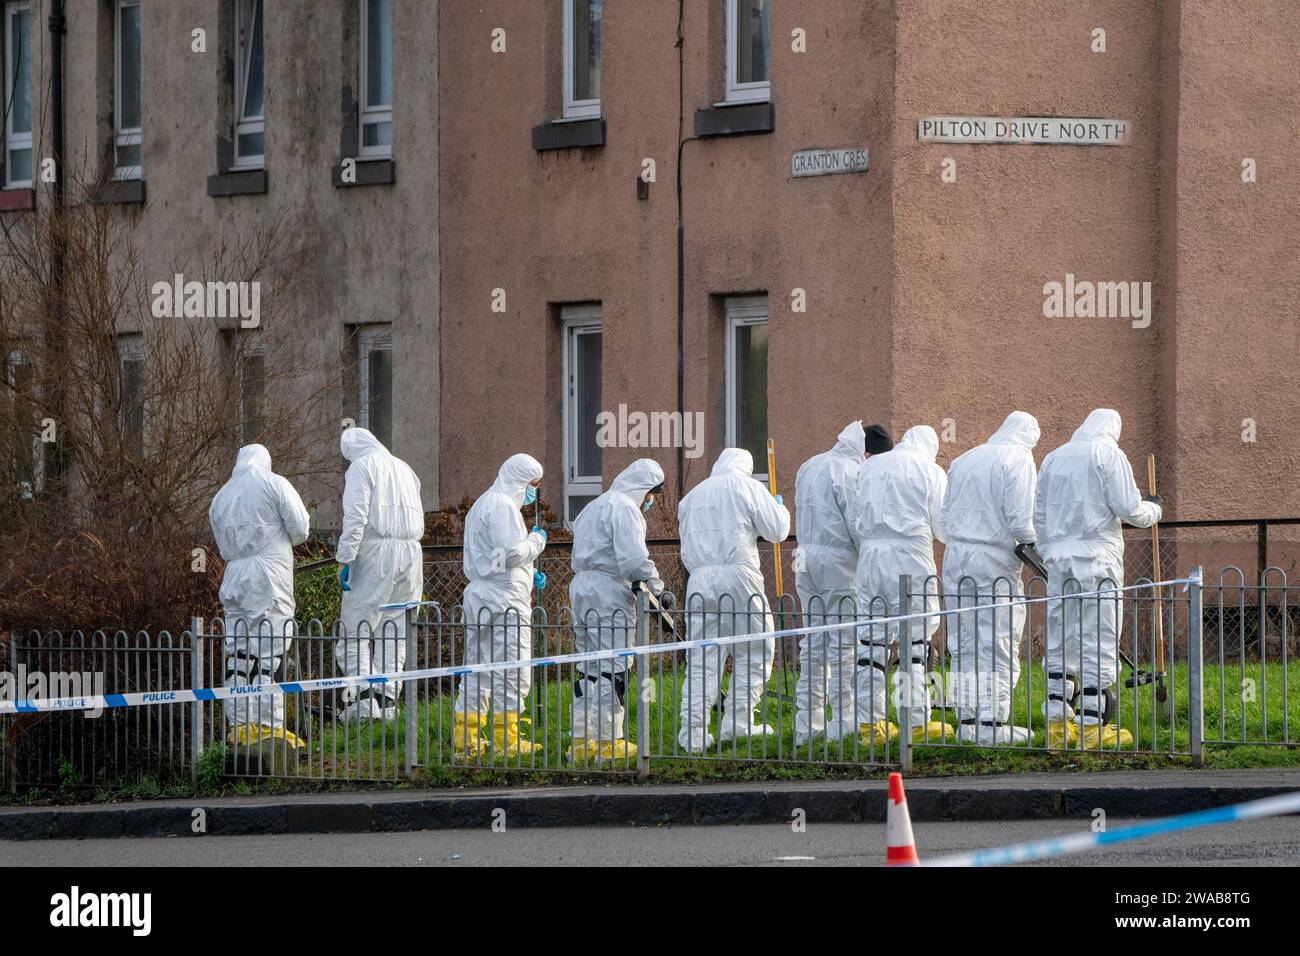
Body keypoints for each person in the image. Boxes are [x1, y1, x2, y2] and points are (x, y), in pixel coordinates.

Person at [1035, 409, 1161, 749]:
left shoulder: (1053, 458)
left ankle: (1057, 727)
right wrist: (1154, 509)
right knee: (1099, 638)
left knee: (1061, 638)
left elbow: (1040, 515)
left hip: (1060, 561)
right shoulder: (1109, 454)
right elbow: (1129, 508)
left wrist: (1049, 552)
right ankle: (1092, 724)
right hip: (1097, 559)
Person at [676, 448, 790, 752]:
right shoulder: (748, 487)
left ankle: (693, 734)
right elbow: (777, 531)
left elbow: (685, 544)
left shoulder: (692, 498)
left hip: (699, 580)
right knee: (754, 647)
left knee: (702, 656)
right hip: (739, 574)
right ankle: (739, 723)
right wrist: (779, 509)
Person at [940, 411, 1040, 744]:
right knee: (997, 638)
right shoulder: (1018, 459)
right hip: (994, 560)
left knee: (964, 640)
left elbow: (943, 516)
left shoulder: (964, 459)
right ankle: (993, 725)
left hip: (955, 556)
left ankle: (967, 722)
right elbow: (1022, 523)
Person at [208, 444, 311, 766]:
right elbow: (300, 529)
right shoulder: (274, 483)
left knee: (239, 654)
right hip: (269, 574)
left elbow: (220, 540)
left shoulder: (221, 496)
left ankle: (240, 726)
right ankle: (270, 726)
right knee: (272, 651)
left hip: (234, 575)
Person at [792, 421, 893, 746]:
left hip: (805, 558)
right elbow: (857, 522)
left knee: (814, 642)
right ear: (866, 452)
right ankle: (845, 720)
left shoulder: (811, 465)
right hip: (838, 561)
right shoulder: (850, 471)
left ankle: (807, 725)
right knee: (845, 643)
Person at [851, 425, 953, 746]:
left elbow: (855, 519)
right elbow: (942, 526)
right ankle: (916, 722)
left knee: (871, 644)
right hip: (910, 556)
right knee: (916, 643)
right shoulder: (930, 470)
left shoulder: (868, 468)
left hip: (870, 559)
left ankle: (870, 726)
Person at [568, 458, 665, 762]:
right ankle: (610, 741)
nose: (650, 502)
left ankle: (582, 743)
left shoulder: (593, 507)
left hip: (581, 587)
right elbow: (633, 560)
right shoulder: (624, 508)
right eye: (651, 495)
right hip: (609, 590)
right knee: (614, 668)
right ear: (645, 489)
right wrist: (656, 587)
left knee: (588, 668)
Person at [454, 453, 548, 758]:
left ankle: (465, 740)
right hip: (505, 601)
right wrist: (537, 543)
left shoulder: (483, 503)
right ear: (521, 481)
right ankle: (506, 742)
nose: (533, 493)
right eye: (533, 485)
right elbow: (508, 554)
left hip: (482, 595)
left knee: (476, 669)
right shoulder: (504, 507)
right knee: (512, 668)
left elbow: (491, 556)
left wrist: (530, 573)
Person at [335, 427, 425, 724]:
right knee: (395, 628)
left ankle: (361, 703)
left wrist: (346, 557)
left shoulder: (362, 467)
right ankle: (387, 702)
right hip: (411, 554)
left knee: (357, 626)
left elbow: (357, 515)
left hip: (375, 552)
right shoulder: (404, 468)